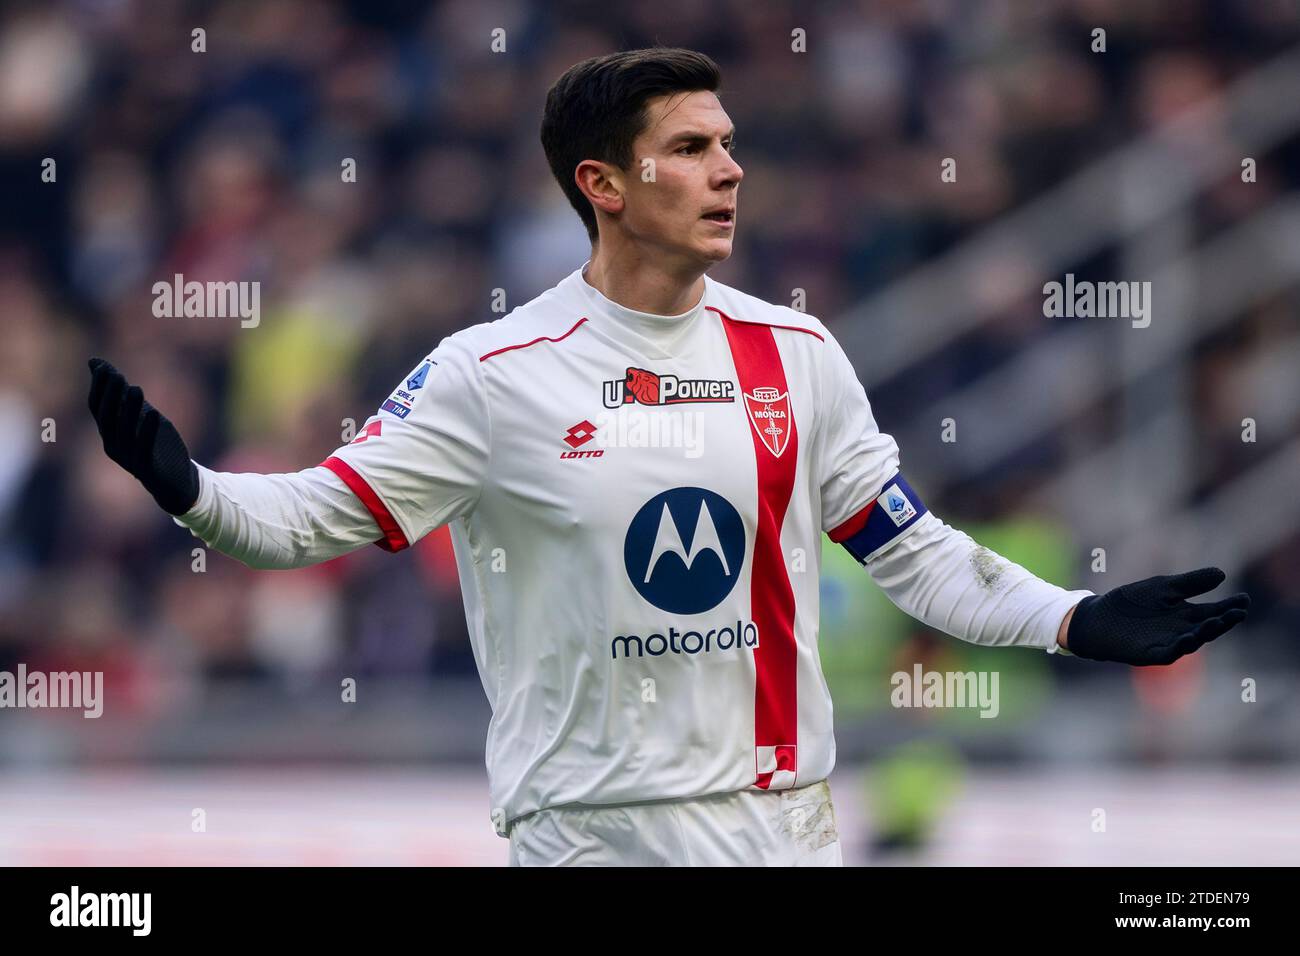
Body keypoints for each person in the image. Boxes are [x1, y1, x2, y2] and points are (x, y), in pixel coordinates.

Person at [87, 48, 1250, 866]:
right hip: (590, 831)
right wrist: (190, 489)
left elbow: (914, 554)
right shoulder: (493, 373)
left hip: (778, 825)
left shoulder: (793, 351)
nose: (729, 170)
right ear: (602, 184)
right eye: (689, 149)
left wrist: (1073, 618)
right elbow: (308, 519)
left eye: (730, 145)